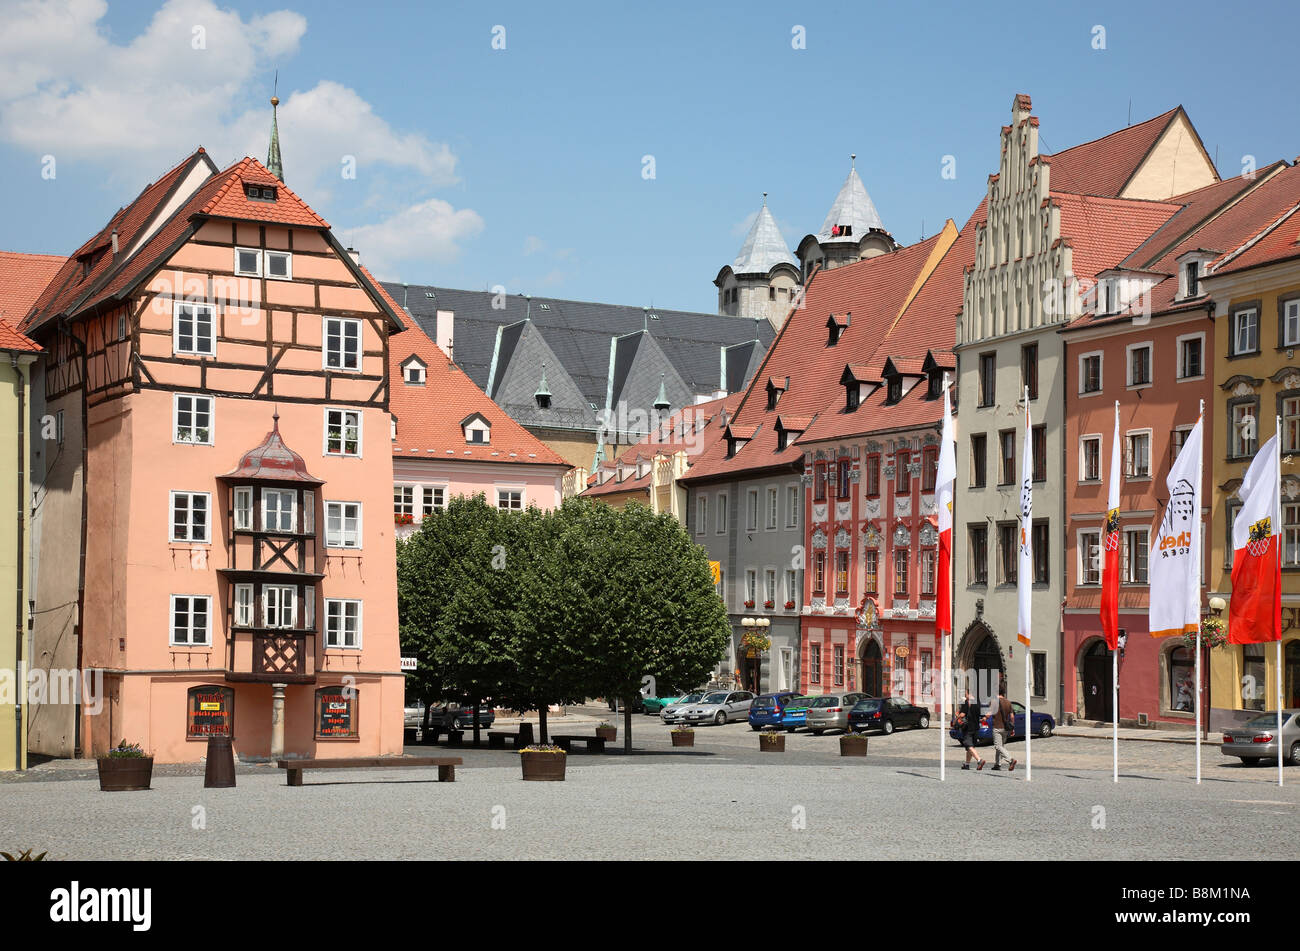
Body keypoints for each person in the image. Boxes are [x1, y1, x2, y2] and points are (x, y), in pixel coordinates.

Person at [954, 689, 986, 770]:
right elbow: (983, 716)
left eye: (966, 693)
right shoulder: (978, 703)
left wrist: (957, 716)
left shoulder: (967, 702)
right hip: (976, 728)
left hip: (968, 728)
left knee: (968, 745)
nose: (965, 695)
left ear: (969, 694)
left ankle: (979, 760)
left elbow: (962, 714)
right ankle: (967, 764)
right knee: (971, 746)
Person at [989, 688, 1018, 771]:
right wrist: (1012, 728)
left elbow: (989, 713)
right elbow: (1012, 717)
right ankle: (997, 764)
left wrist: (983, 718)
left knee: (998, 746)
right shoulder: (1008, 702)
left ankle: (1010, 760)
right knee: (1001, 747)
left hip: (997, 727)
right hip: (1005, 728)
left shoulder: (993, 701)